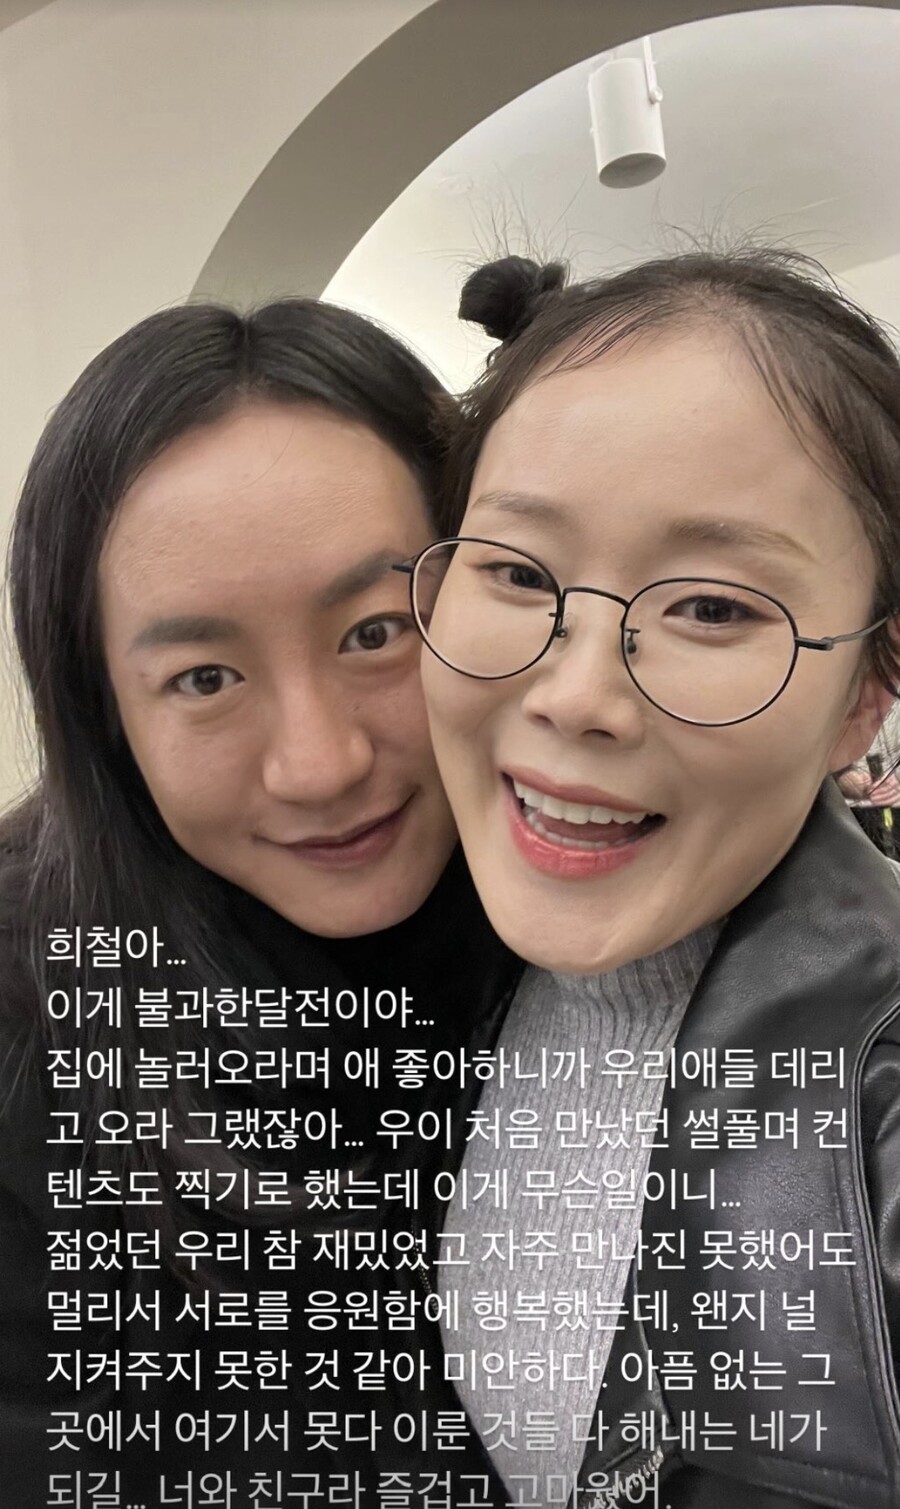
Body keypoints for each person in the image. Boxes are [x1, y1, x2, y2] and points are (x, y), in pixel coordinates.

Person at [0, 300, 519, 1504]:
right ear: (105, 717)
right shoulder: (31, 1046)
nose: (320, 764)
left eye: (375, 632)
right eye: (205, 678)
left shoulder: (589, 920)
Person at [408, 251, 900, 1507]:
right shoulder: (424, 949)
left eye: (714, 609)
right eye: (519, 573)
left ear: (867, 694)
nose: (577, 697)